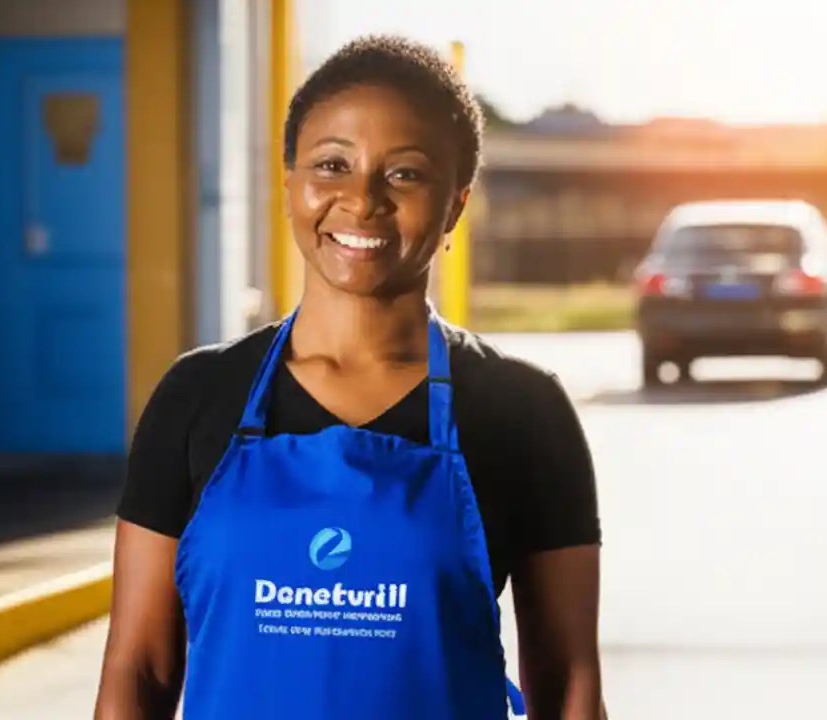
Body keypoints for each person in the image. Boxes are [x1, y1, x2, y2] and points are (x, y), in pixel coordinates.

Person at [94, 34, 605, 719]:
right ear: (290, 187)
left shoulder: (523, 410)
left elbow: (570, 685)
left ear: (455, 204)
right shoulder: (197, 397)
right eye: (332, 164)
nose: (361, 200)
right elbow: (139, 669)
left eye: (404, 174)